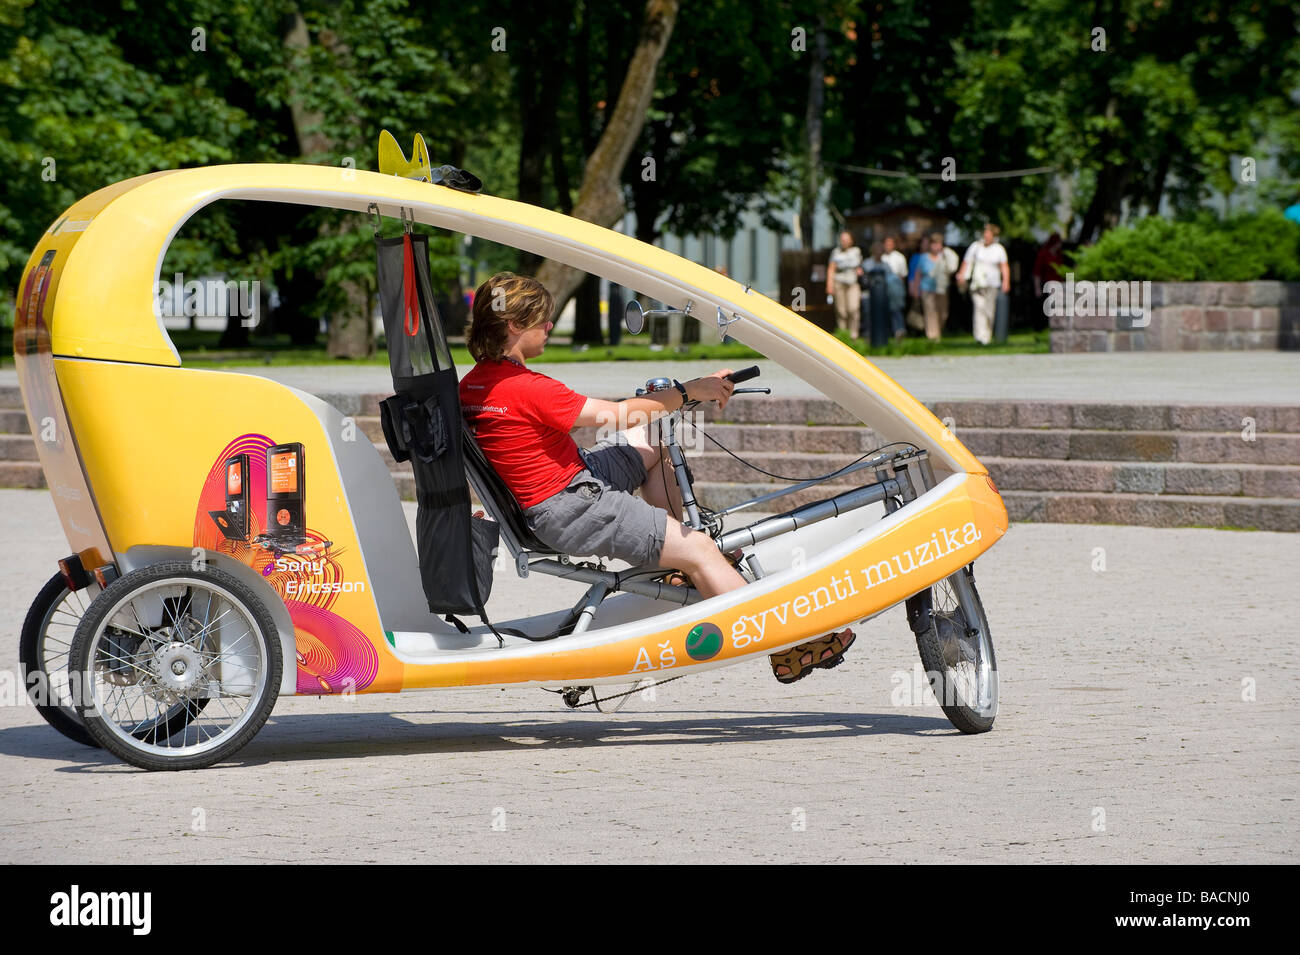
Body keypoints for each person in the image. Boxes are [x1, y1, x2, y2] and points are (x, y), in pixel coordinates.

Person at [459, 272, 855, 683]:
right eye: (542, 320)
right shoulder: (525, 387)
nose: (549, 327)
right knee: (701, 548)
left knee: (652, 440)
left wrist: (683, 393)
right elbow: (615, 415)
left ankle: (674, 564)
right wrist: (689, 391)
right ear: (514, 326)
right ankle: (788, 643)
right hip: (572, 504)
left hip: (561, 484)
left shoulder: (475, 384)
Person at [956, 223, 1010, 345]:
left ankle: (987, 335)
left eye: (988, 233)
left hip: (992, 284)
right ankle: (980, 337)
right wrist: (961, 275)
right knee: (979, 308)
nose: (986, 235)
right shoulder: (975, 247)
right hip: (977, 283)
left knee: (989, 311)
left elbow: (1004, 267)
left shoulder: (999, 249)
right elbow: (967, 262)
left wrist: (1006, 281)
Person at [910, 235, 954, 341]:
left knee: (943, 313)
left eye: (938, 244)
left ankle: (938, 331)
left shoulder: (945, 257)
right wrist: (915, 289)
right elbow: (917, 275)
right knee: (930, 312)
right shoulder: (923, 258)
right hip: (926, 288)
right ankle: (932, 336)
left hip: (942, 289)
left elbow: (951, 270)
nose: (936, 246)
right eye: (934, 244)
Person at [825, 230, 863, 337]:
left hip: (852, 283)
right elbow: (831, 269)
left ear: (851, 240)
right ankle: (844, 335)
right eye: (842, 240)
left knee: (853, 308)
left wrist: (860, 271)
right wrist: (829, 285)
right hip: (839, 282)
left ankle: (854, 335)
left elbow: (859, 266)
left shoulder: (856, 251)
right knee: (841, 310)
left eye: (846, 240)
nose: (844, 242)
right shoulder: (836, 252)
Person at [861, 243, 892, 347]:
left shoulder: (885, 265)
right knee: (867, 315)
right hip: (868, 294)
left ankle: (883, 340)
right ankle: (868, 337)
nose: (878, 253)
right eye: (876, 251)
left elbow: (890, 279)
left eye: (880, 251)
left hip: (881, 296)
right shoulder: (867, 264)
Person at [881, 236, 908, 339]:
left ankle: (899, 330)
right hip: (883, 288)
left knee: (896, 310)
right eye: (886, 244)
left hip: (896, 286)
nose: (888, 246)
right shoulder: (881, 257)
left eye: (890, 244)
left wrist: (901, 290)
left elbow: (902, 276)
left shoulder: (899, 257)